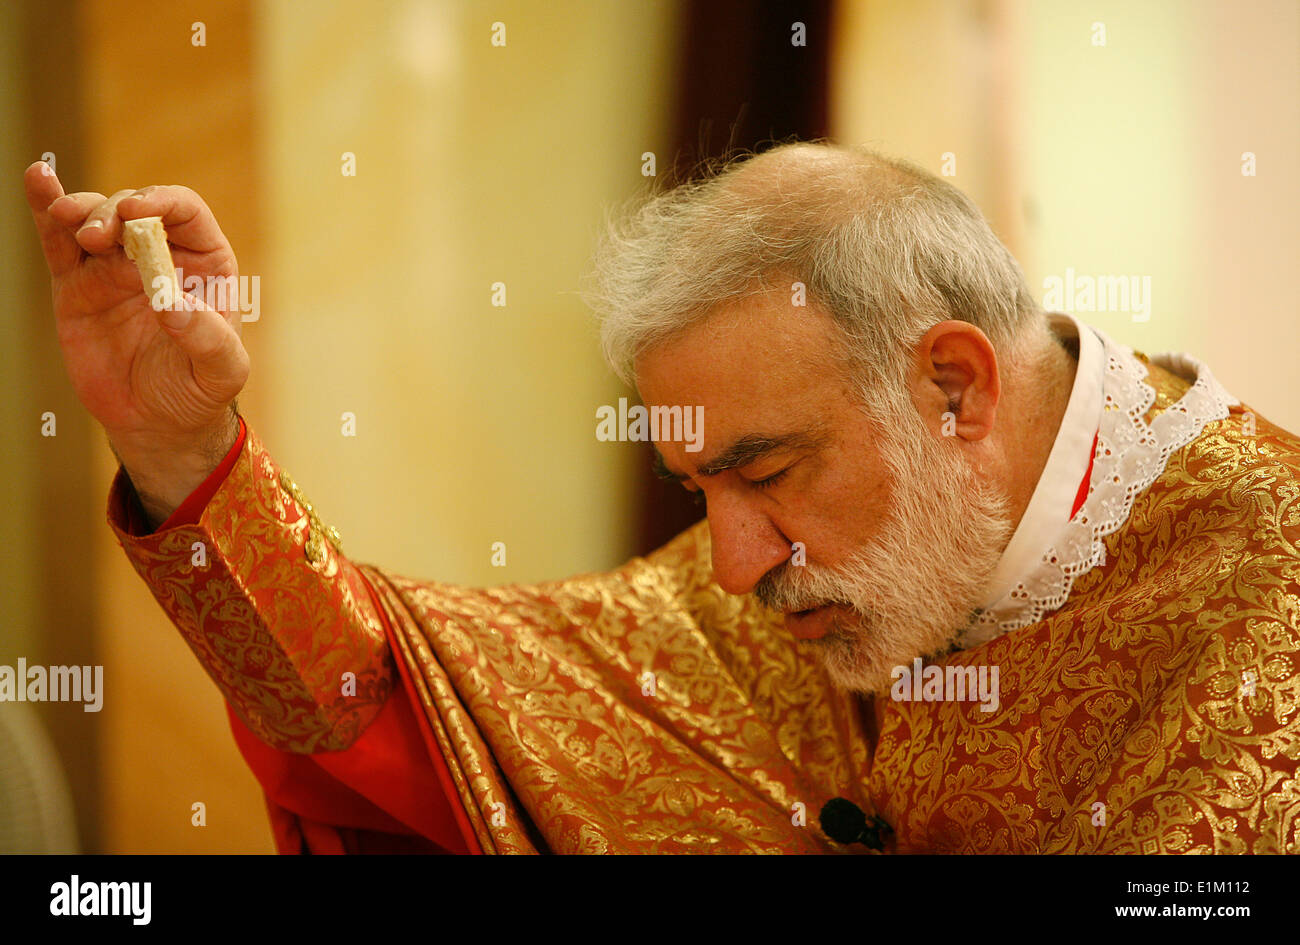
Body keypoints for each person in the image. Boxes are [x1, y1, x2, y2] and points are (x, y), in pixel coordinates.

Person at [24, 142, 1299, 854]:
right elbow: (417, 715)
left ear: (955, 388)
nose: (731, 562)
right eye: (696, 486)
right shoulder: (764, 582)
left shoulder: (1269, 600)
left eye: (764, 473)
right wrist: (184, 453)